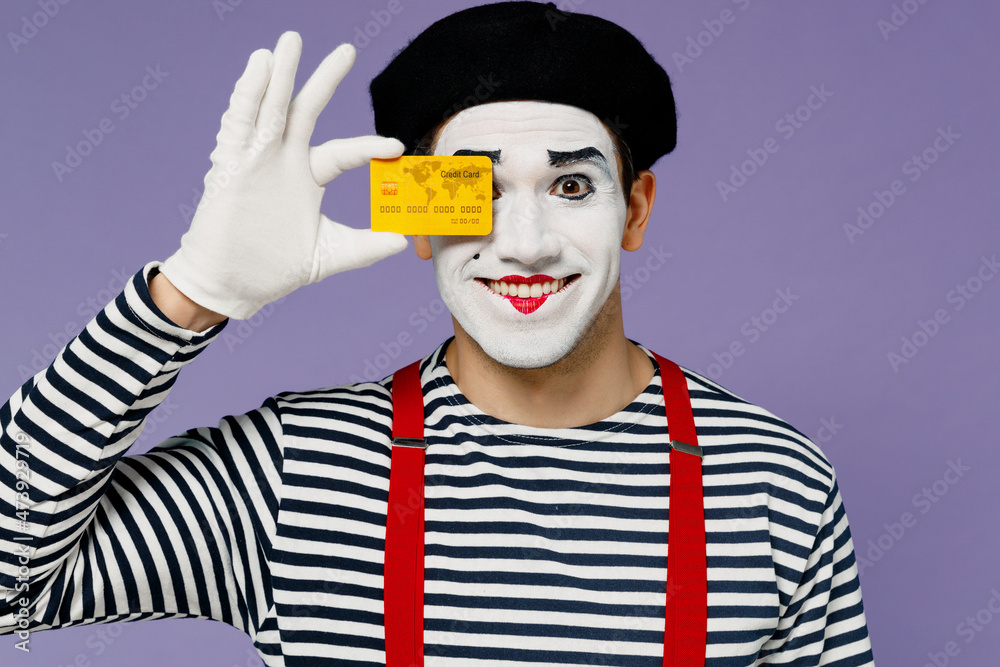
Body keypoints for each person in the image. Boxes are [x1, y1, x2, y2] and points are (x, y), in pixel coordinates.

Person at [1, 2, 875, 665]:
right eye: (474, 190)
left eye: (572, 187)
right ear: (418, 217)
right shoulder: (296, 470)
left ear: (635, 209)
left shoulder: (773, 481)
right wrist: (190, 293)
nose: (525, 243)